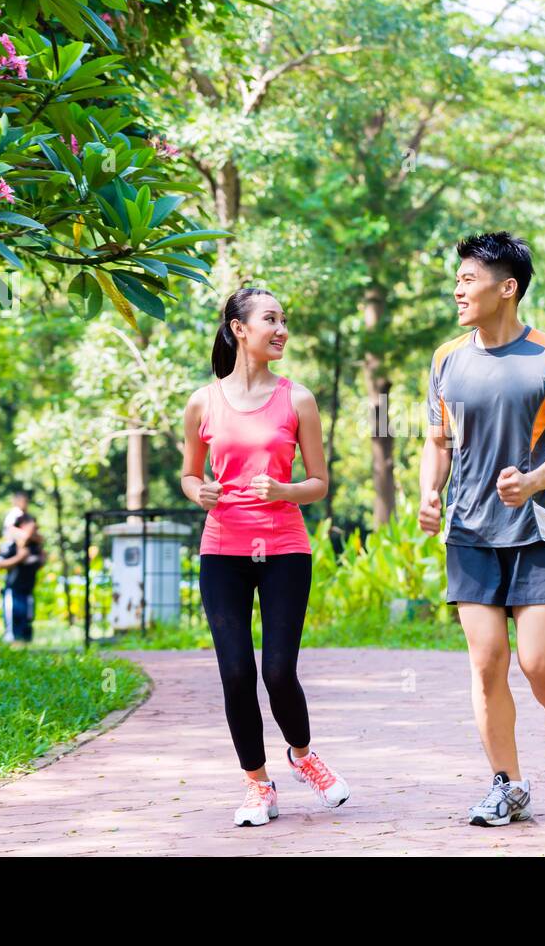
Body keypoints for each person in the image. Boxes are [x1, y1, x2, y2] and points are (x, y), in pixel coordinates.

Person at [419, 231, 545, 827]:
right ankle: (508, 785)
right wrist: (428, 492)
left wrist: (536, 480)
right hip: (469, 531)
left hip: (537, 529)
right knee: (488, 659)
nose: (458, 288)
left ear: (507, 289)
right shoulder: (446, 359)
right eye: (459, 278)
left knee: (538, 663)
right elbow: (437, 441)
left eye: (469, 279)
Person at [182, 286, 351, 827]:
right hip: (223, 551)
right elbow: (189, 473)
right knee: (235, 672)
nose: (281, 329)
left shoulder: (297, 399)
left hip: (283, 550)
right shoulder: (202, 402)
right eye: (270, 319)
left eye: (284, 320)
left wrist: (284, 492)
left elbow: (321, 483)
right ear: (239, 329)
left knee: (278, 671)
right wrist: (197, 492)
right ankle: (258, 786)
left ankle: (303, 757)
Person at [0, 514, 46, 644]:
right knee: (14, 617)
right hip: (14, 588)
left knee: (27, 618)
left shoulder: (35, 546)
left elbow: (40, 561)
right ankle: (12, 639)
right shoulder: (10, 545)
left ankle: (25, 641)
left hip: (28, 588)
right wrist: (19, 558)